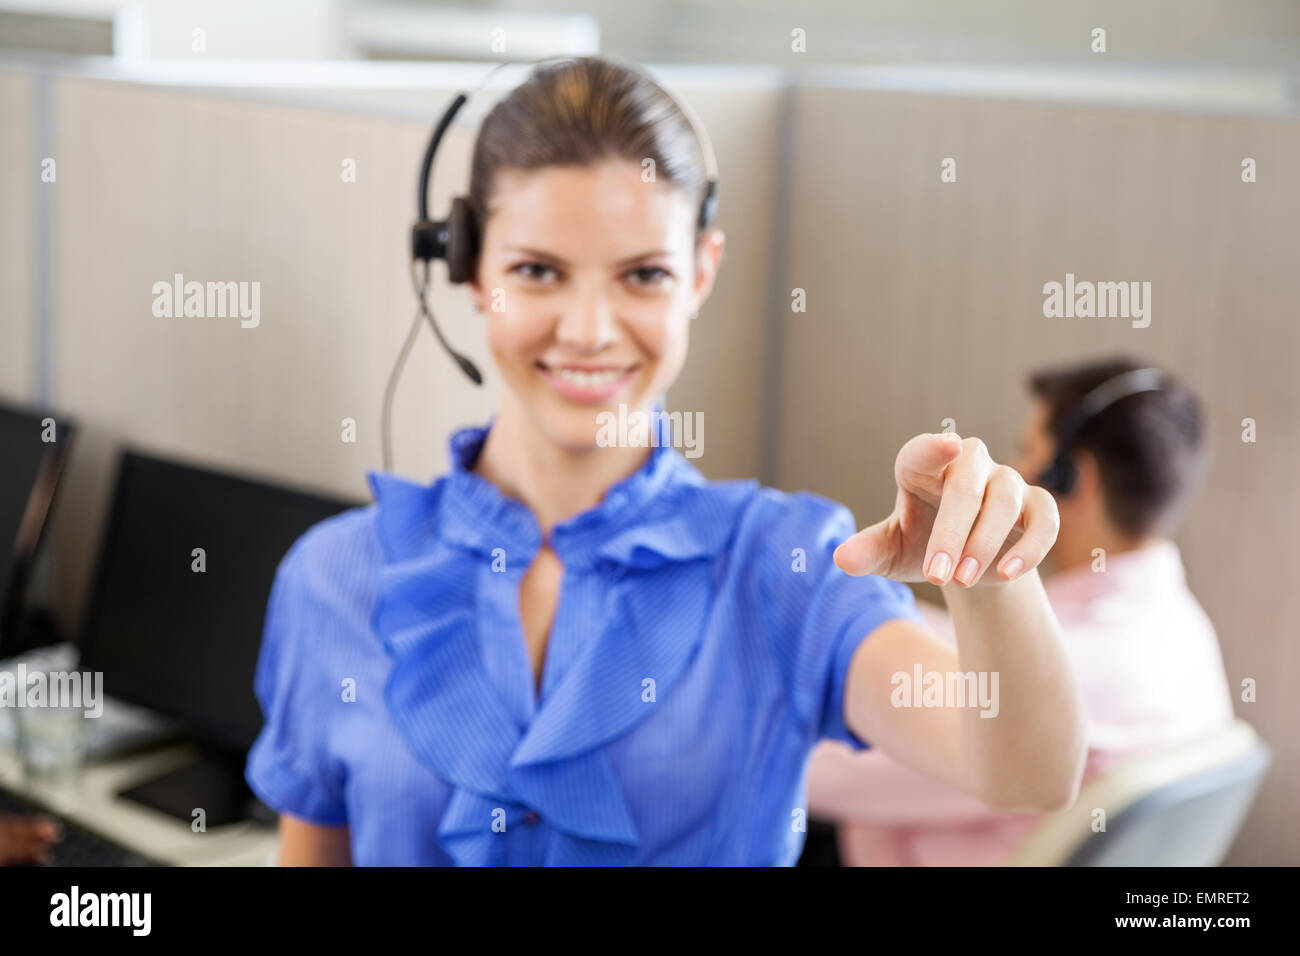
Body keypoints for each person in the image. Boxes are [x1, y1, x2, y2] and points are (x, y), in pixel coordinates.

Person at [244, 56, 1086, 866]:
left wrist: (986, 576)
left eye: (642, 274)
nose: (589, 330)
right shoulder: (335, 578)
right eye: (537, 271)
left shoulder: (784, 565)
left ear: (700, 273)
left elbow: (1027, 774)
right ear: (468, 271)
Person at [806, 356, 1236, 866]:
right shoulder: (1180, 629)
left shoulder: (1066, 677)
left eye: (1029, 453)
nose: (1020, 473)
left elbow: (826, 773)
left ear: (1073, 477)